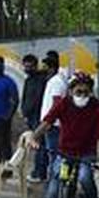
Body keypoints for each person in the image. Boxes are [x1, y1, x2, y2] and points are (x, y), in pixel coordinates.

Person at [29, 71, 99, 198]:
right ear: (71, 91)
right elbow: (47, 122)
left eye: (86, 92)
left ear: (91, 91)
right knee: (54, 187)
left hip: (86, 154)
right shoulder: (63, 103)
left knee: (85, 179)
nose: (82, 95)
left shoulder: (98, 107)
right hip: (64, 153)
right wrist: (34, 137)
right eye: (78, 91)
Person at [36, 51, 68, 184]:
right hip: (51, 124)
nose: (43, 70)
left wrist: (48, 122)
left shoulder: (56, 82)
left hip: (53, 126)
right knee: (53, 155)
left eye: (45, 68)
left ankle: (53, 183)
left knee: (54, 156)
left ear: (52, 68)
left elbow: (56, 104)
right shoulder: (54, 81)